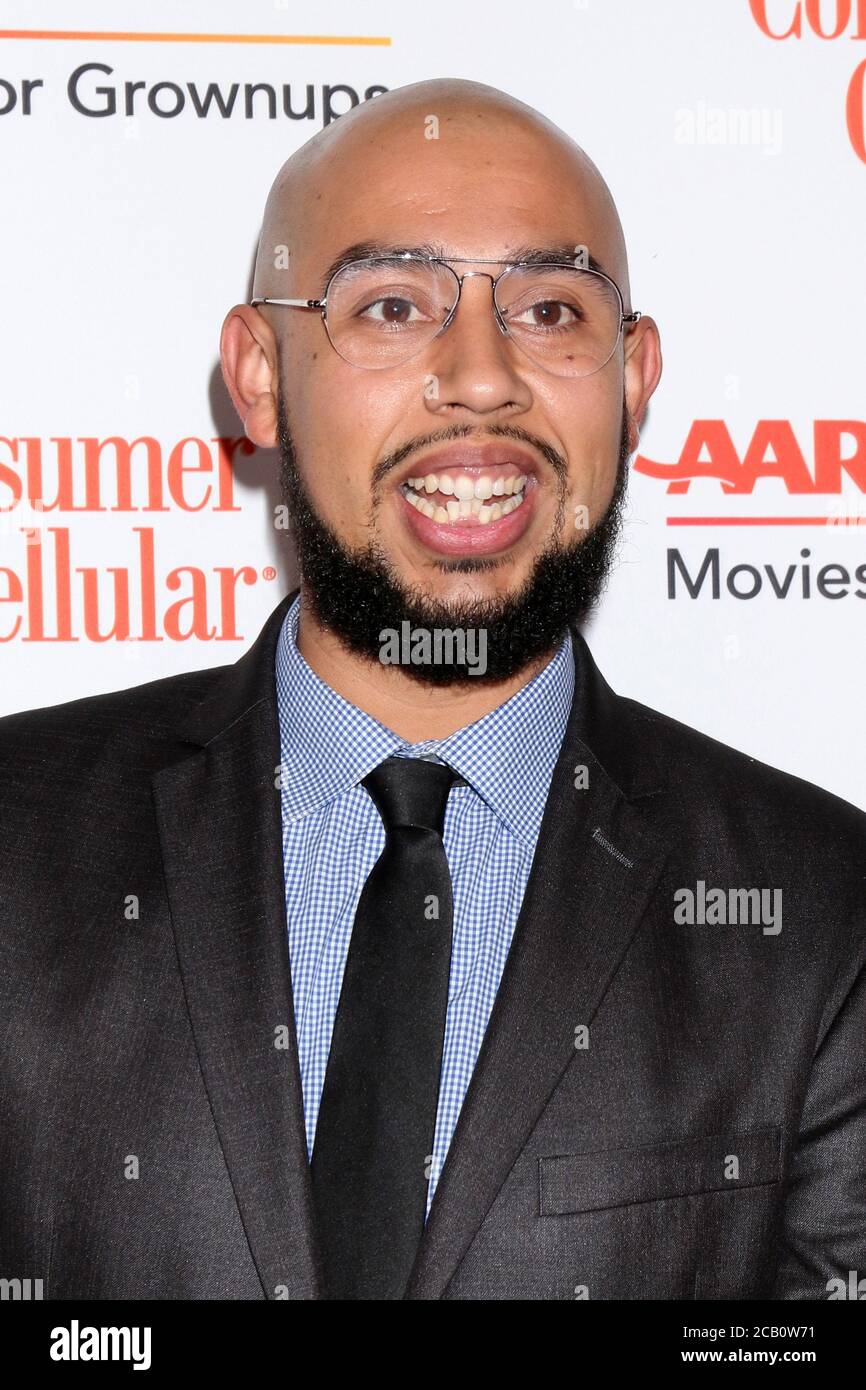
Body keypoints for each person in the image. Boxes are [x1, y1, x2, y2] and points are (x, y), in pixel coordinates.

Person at [0, 78, 863, 1302]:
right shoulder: (18, 843)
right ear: (257, 372)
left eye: (548, 308)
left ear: (630, 376)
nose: (477, 377)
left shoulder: (821, 915)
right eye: (393, 304)